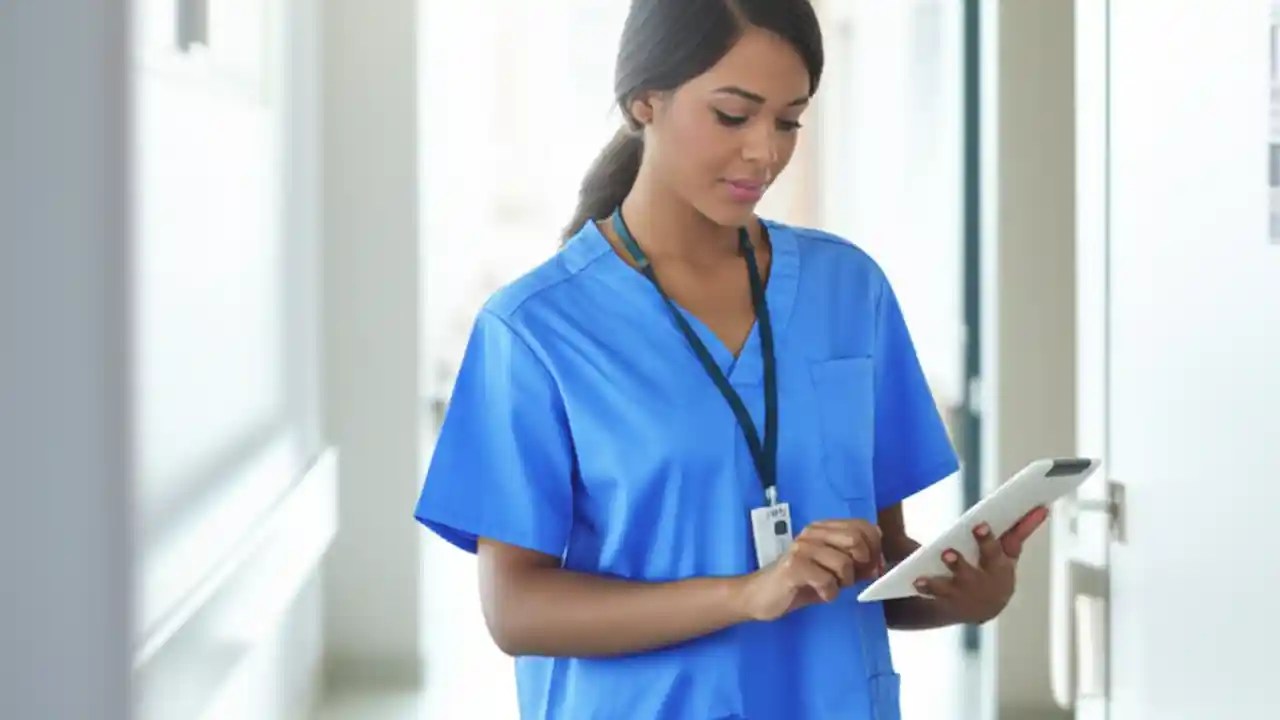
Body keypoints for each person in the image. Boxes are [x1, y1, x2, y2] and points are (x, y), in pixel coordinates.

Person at [414, 1, 1047, 718]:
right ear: (643, 100)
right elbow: (517, 611)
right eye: (733, 116)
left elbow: (872, 568)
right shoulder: (534, 330)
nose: (766, 153)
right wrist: (745, 594)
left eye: (788, 120)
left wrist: (968, 595)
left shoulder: (849, 291)